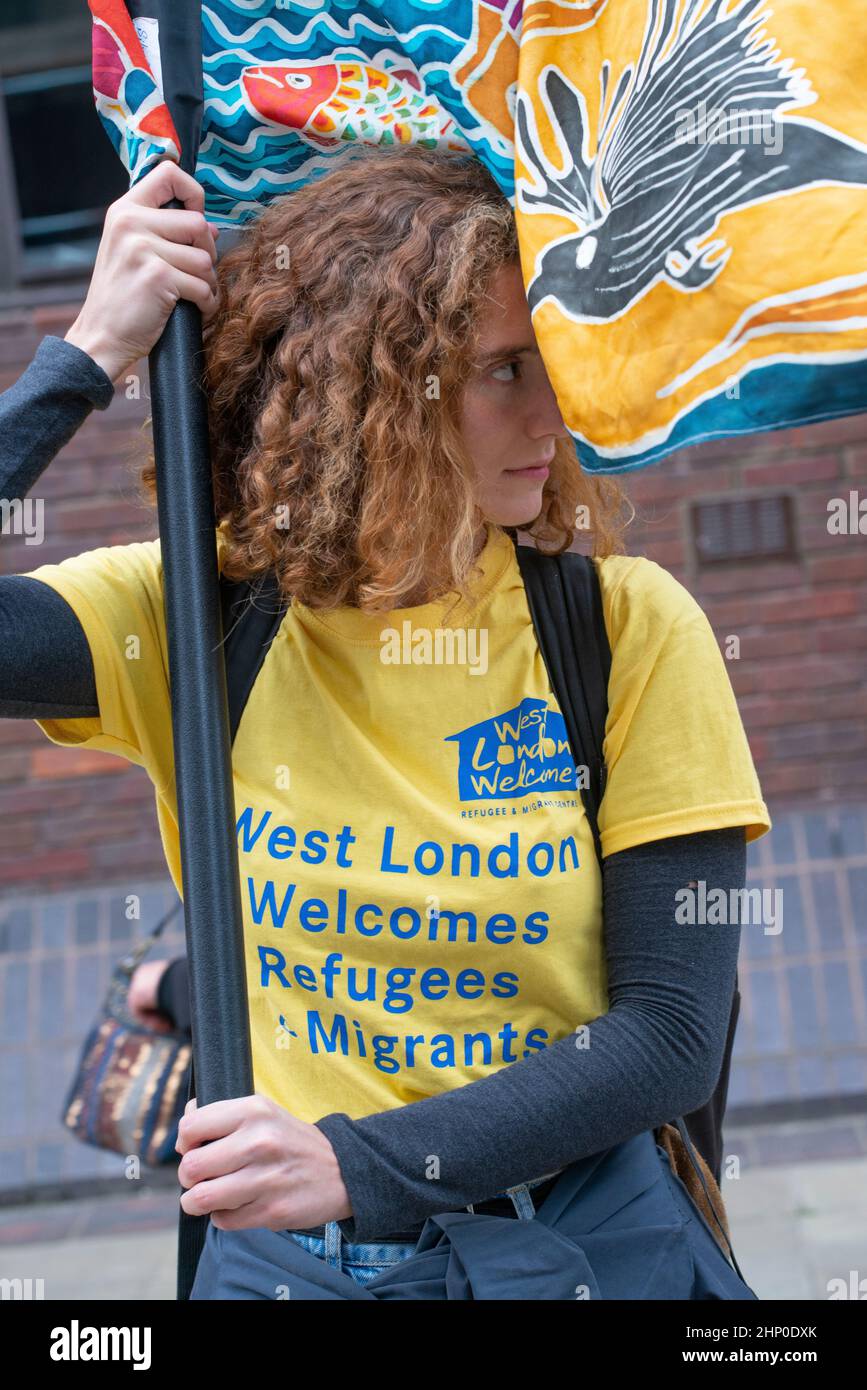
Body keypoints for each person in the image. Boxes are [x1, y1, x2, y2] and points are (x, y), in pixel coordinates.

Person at [0, 148, 771, 1298]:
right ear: (370, 400)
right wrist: (85, 356)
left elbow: (667, 1034)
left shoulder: (625, 630)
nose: (551, 412)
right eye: (504, 370)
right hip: (291, 1272)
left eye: (550, 360)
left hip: (576, 1249)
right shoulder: (196, 620)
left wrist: (357, 1162)